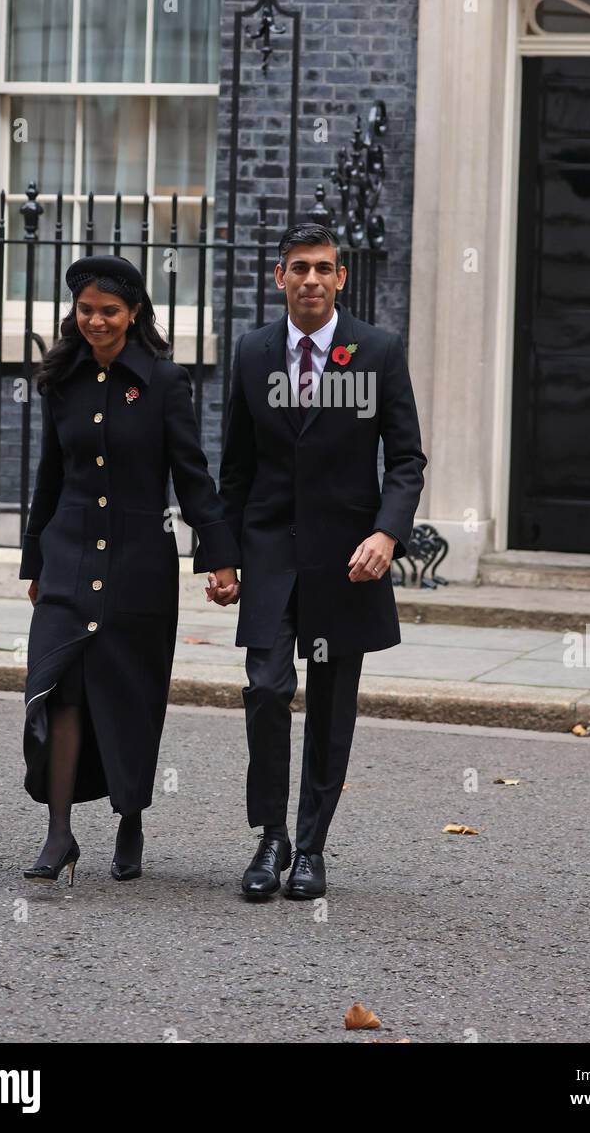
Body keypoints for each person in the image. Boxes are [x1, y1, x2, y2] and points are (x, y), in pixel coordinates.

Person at [211, 223, 426, 899]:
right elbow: (236, 467)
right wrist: (220, 556)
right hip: (272, 553)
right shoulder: (252, 352)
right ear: (280, 277)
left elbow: (407, 460)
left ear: (340, 278)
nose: (310, 279)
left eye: (323, 268)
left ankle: (310, 848)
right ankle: (269, 838)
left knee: (331, 707)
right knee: (268, 689)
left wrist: (388, 535)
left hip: (346, 561)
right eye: (298, 267)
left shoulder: (379, 351)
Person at [20, 254, 239, 885]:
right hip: (67, 555)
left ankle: (131, 816)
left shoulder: (165, 382)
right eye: (85, 310)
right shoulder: (61, 381)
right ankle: (59, 834)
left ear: (134, 312)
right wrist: (34, 559)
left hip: (140, 560)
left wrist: (220, 557)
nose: (95, 321)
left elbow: (192, 475)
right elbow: (49, 475)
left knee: (130, 694)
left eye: (108, 311)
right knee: (58, 687)